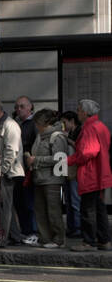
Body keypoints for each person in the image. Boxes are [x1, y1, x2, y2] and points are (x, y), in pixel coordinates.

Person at [66, 98, 112, 250]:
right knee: (99, 209)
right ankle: (104, 240)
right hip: (100, 173)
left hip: (90, 175)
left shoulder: (89, 128)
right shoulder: (101, 126)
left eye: (79, 110)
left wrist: (69, 160)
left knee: (88, 209)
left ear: (85, 112)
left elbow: (87, 152)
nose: (77, 113)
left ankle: (88, 242)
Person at [26, 109, 69, 248]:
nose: (36, 126)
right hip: (39, 178)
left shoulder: (57, 137)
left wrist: (36, 160)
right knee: (40, 210)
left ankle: (58, 239)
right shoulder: (40, 136)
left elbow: (60, 159)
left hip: (53, 180)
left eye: (37, 123)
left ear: (44, 123)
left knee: (53, 210)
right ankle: (45, 238)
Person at [0, 99, 24, 245]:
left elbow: (12, 151)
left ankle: (3, 238)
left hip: (9, 172)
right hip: (4, 170)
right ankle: (15, 236)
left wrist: (2, 170)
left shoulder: (10, 125)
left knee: (5, 206)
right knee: (8, 205)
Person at [13, 95, 38, 243]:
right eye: (16, 107)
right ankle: (25, 230)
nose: (18, 109)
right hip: (18, 169)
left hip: (28, 169)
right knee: (20, 202)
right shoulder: (17, 123)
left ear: (30, 107)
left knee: (30, 203)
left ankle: (33, 231)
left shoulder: (33, 124)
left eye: (22, 106)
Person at [61, 110, 83, 237]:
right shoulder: (70, 132)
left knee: (75, 200)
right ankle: (71, 227)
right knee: (68, 200)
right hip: (67, 168)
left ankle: (78, 227)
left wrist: (67, 139)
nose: (63, 125)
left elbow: (80, 148)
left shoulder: (79, 131)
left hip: (75, 169)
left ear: (71, 121)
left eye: (65, 122)